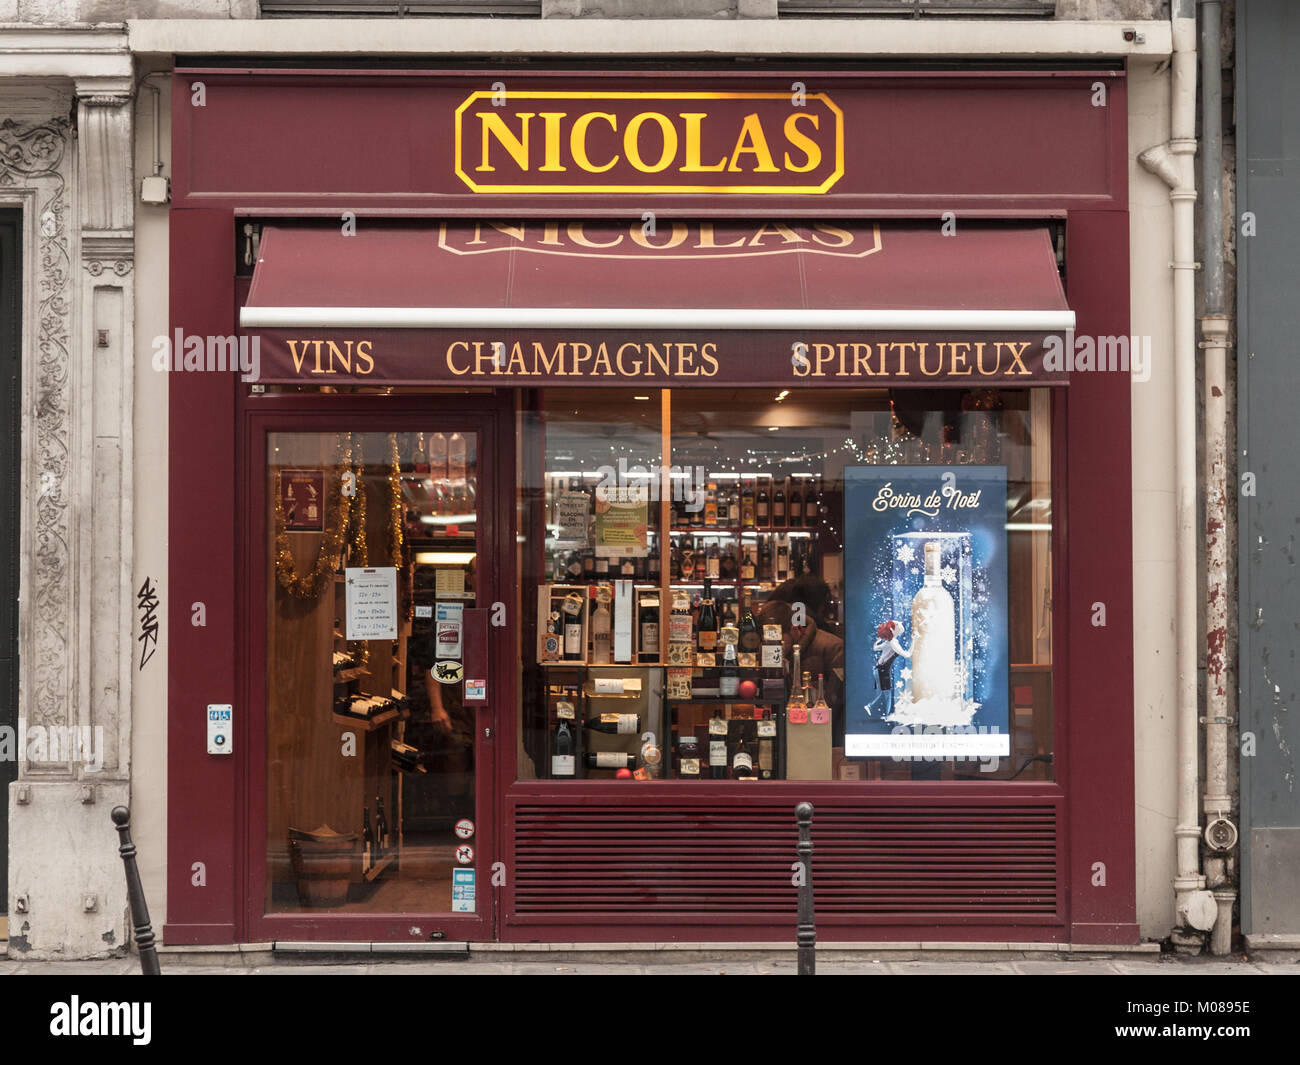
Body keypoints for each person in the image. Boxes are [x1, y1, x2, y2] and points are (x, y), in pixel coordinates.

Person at [757, 577, 847, 744]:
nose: (772, 646)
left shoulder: (832, 648)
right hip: (781, 738)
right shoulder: (772, 650)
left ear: (794, 629)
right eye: (766, 641)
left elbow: (836, 707)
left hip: (818, 740)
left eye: (778, 639)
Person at [866, 619, 910, 719]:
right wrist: (915, 641)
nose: (901, 623)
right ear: (892, 630)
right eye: (897, 624)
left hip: (879, 669)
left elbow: (875, 648)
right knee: (887, 693)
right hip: (882, 670)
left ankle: (879, 711)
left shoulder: (888, 643)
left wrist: (877, 642)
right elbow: (907, 654)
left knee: (882, 692)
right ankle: (881, 713)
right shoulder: (893, 643)